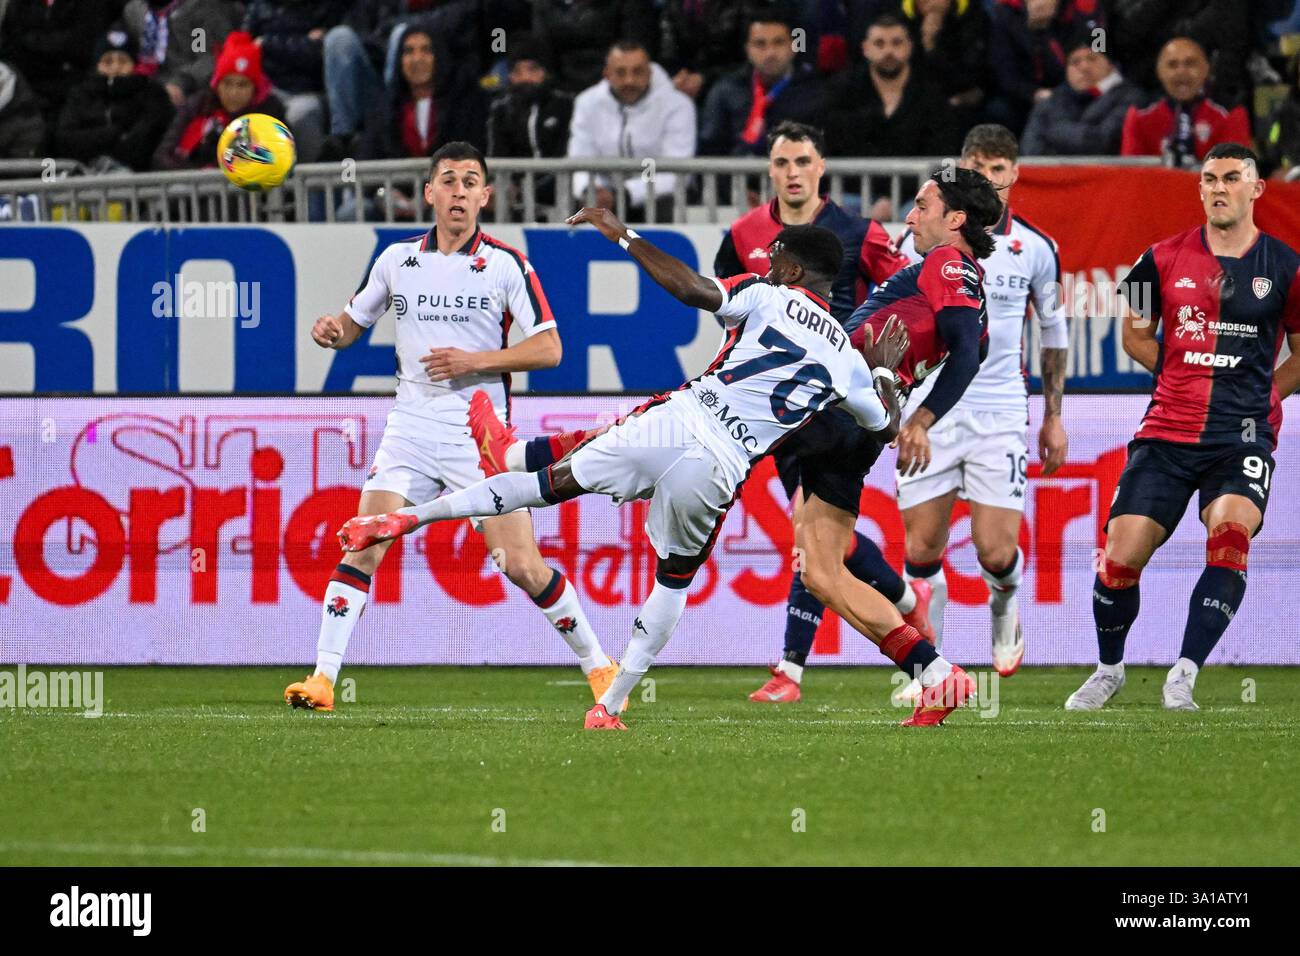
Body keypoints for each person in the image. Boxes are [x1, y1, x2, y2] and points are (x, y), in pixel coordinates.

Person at [341, 213, 981, 730]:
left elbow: (690, 289)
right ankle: (610, 706)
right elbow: (881, 424)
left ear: (788, 267)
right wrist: (886, 389)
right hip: (724, 466)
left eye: (772, 258)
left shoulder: (766, 294)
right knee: (676, 581)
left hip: (682, 418)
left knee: (541, 485)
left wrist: (623, 234)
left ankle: (412, 513)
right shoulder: (843, 355)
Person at [283, 142, 615, 713]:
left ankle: (601, 666)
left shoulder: (508, 264)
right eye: (448, 180)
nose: (459, 190)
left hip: (480, 436)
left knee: (520, 565)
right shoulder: (396, 261)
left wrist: (475, 361)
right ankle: (322, 679)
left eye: (470, 181)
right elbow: (353, 323)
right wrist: (331, 331)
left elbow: (551, 348)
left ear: (485, 196)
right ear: (430, 193)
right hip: (410, 427)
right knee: (367, 537)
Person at [1066, 143, 1300, 712]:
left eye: (1231, 178)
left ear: (1255, 189)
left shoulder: (1288, 267)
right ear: (1199, 189)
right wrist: (1179, 372)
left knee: (1229, 538)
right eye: (1209, 179)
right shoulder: (1157, 259)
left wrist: (1268, 393)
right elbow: (1134, 334)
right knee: (1119, 560)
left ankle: (1184, 674)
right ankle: (1109, 670)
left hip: (1241, 437)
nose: (1219, 188)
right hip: (1167, 432)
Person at [710, 120, 930, 703]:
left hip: (838, 409)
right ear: (771, 171)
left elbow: (907, 296)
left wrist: (891, 377)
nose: (792, 173)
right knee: (824, 541)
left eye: (803, 162)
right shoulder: (743, 234)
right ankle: (908, 601)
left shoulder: (858, 232)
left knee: (809, 539)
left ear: (821, 167)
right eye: (782, 163)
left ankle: (790, 671)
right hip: (776, 405)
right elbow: (724, 305)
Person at [890, 125, 1068, 698]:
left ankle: (1004, 602)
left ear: (1014, 174)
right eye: (975, 167)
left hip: (996, 411)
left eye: (997, 168)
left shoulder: (1037, 249)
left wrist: (1053, 415)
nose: (987, 177)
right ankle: (928, 670)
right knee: (921, 550)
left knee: (995, 552)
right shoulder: (914, 241)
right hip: (928, 408)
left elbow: (1053, 332)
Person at [567, 40, 696, 220]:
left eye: (638, 72)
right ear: (607, 74)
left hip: (654, 196)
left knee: (664, 203)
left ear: (650, 73)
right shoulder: (587, 103)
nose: (630, 80)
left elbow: (676, 171)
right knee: (575, 203)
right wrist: (591, 189)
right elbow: (580, 159)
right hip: (603, 195)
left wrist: (625, 194)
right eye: (620, 73)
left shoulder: (678, 105)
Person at [153, 31, 286, 171]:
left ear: (255, 89)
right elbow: (163, 154)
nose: (234, 93)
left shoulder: (269, 114)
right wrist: (194, 176)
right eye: (227, 84)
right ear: (217, 85)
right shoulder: (199, 105)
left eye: (242, 85)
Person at [699, 11, 825, 156]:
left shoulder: (815, 91)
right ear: (747, 49)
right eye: (760, 44)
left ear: (793, 46)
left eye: (778, 42)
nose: (770, 53)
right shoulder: (727, 90)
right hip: (737, 176)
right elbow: (710, 147)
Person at [55, 28, 176, 173]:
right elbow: (66, 139)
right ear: (97, 65)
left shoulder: (152, 94)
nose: (116, 67)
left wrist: (95, 142)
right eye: (108, 61)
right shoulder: (80, 94)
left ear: (134, 65)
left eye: (123, 61)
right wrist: (114, 134)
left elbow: (141, 144)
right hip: (84, 174)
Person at [1120, 37, 1251, 169]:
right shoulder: (1140, 114)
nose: (1181, 71)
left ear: (1206, 69)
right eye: (1172, 65)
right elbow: (1131, 174)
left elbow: (1234, 173)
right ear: (1160, 71)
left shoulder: (1230, 113)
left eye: (1190, 63)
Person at [1020, 31, 1147, 156]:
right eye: (1075, 62)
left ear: (1110, 65)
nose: (1084, 67)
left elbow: (1101, 143)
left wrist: (1054, 131)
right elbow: (1031, 150)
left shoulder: (1131, 98)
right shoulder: (1050, 103)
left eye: (1092, 59)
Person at [121, 0, 238, 109]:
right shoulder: (135, 10)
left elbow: (208, 58)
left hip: (189, 93)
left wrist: (182, 82)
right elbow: (119, 42)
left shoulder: (199, 8)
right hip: (145, 87)